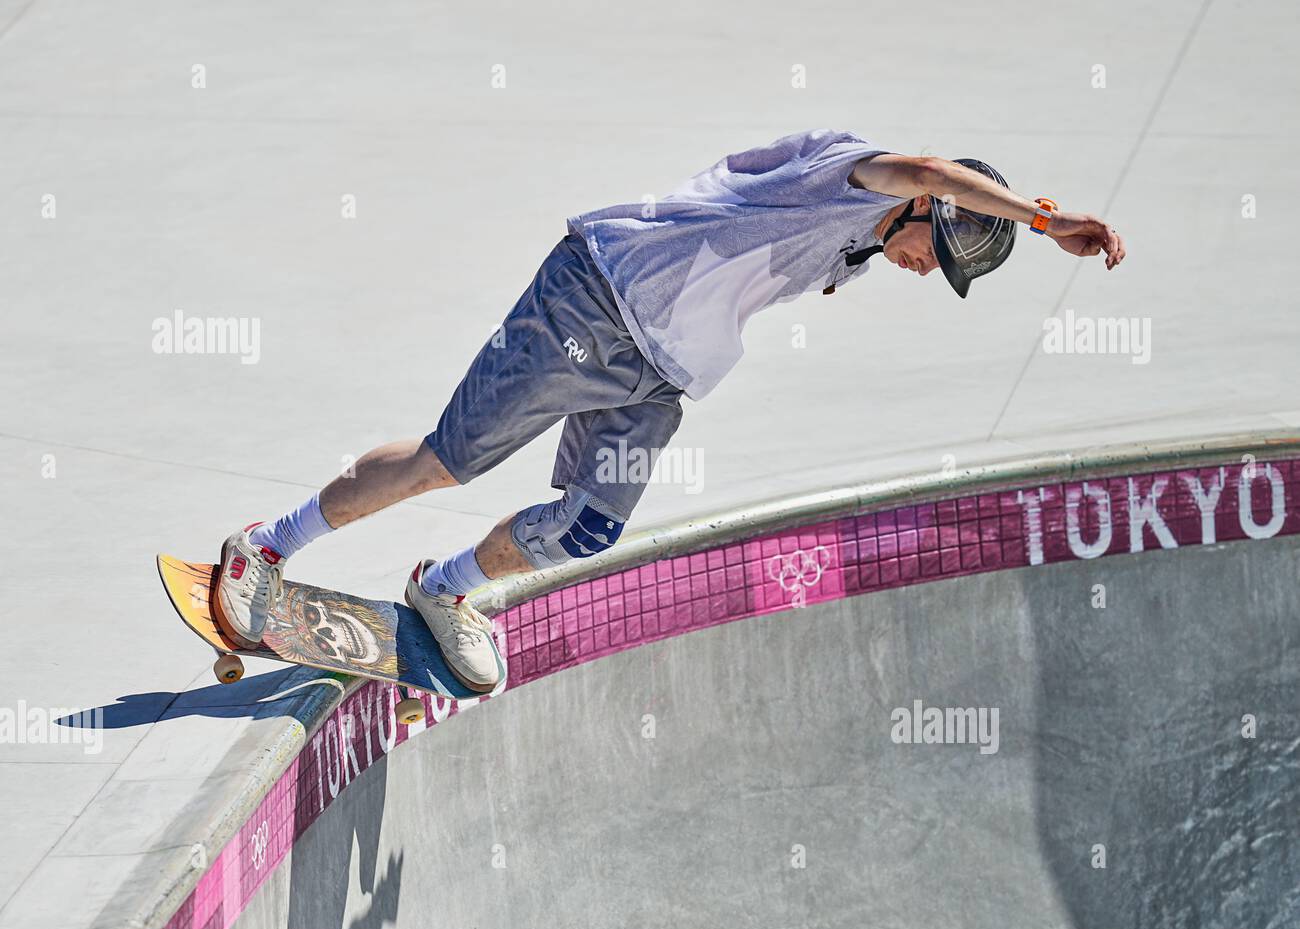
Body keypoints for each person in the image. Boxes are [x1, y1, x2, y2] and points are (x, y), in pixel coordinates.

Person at [212, 128, 1126, 692]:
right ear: (928, 204)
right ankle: (267, 545)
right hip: (594, 300)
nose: (933, 274)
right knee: (449, 459)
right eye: (942, 255)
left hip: (658, 374)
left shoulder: (857, 248)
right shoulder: (850, 174)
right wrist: (1049, 222)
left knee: (588, 527)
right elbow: (928, 163)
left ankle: (445, 587)